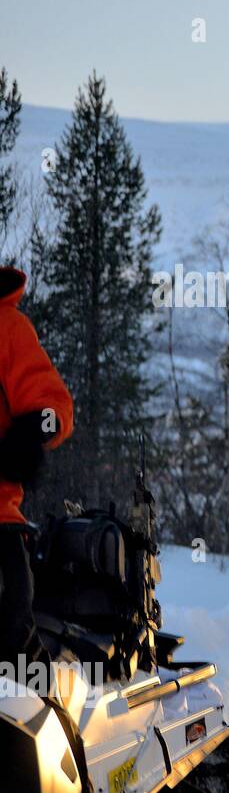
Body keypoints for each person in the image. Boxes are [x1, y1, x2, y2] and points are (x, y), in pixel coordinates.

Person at [0, 267, 75, 668]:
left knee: (19, 671)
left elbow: (55, 410)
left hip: (0, 523)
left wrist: (33, 430)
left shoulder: (7, 327)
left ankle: (55, 726)